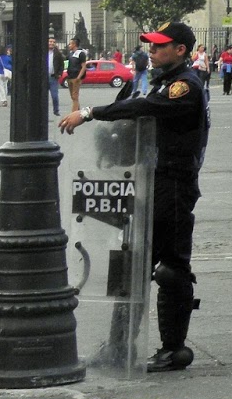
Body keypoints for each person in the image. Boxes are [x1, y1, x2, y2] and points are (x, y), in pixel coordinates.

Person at [58, 21, 210, 373]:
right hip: (150, 182)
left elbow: (143, 109)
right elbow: (136, 109)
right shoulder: (164, 81)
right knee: (133, 264)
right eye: (151, 46)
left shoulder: (184, 87)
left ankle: (170, 348)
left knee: (168, 268)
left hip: (173, 186)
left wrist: (89, 112)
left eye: (159, 46)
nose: (151, 51)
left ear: (180, 50)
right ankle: (121, 344)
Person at [47, 37, 65, 116]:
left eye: (53, 42)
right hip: (44, 77)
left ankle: (56, 110)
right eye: (50, 41)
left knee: (54, 96)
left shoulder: (58, 53)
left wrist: (60, 73)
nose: (51, 43)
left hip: (53, 77)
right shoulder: (43, 52)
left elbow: (62, 64)